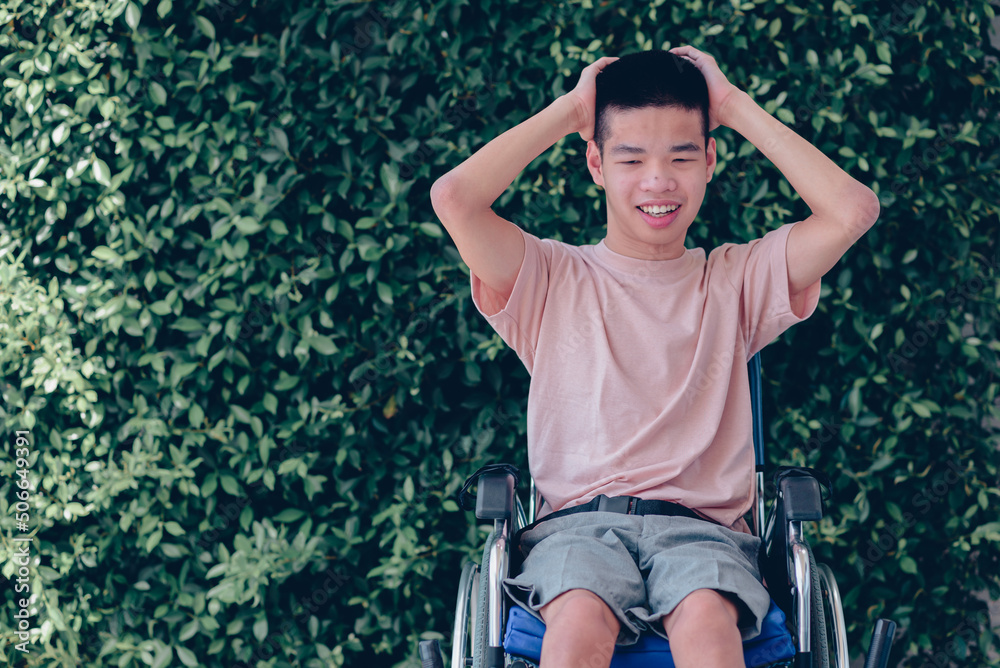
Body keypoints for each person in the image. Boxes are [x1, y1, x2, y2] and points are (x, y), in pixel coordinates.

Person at [430, 47, 879, 668]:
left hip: (704, 533)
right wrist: (571, 111)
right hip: (577, 527)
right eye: (632, 158)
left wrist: (732, 105)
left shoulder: (735, 281)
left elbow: (853, 211)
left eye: (681, 157)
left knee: (706, 619)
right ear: (596, 163)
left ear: (710, 160)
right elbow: (454, 198)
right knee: (579, 616)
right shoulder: (551, 278)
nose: (658, 181)